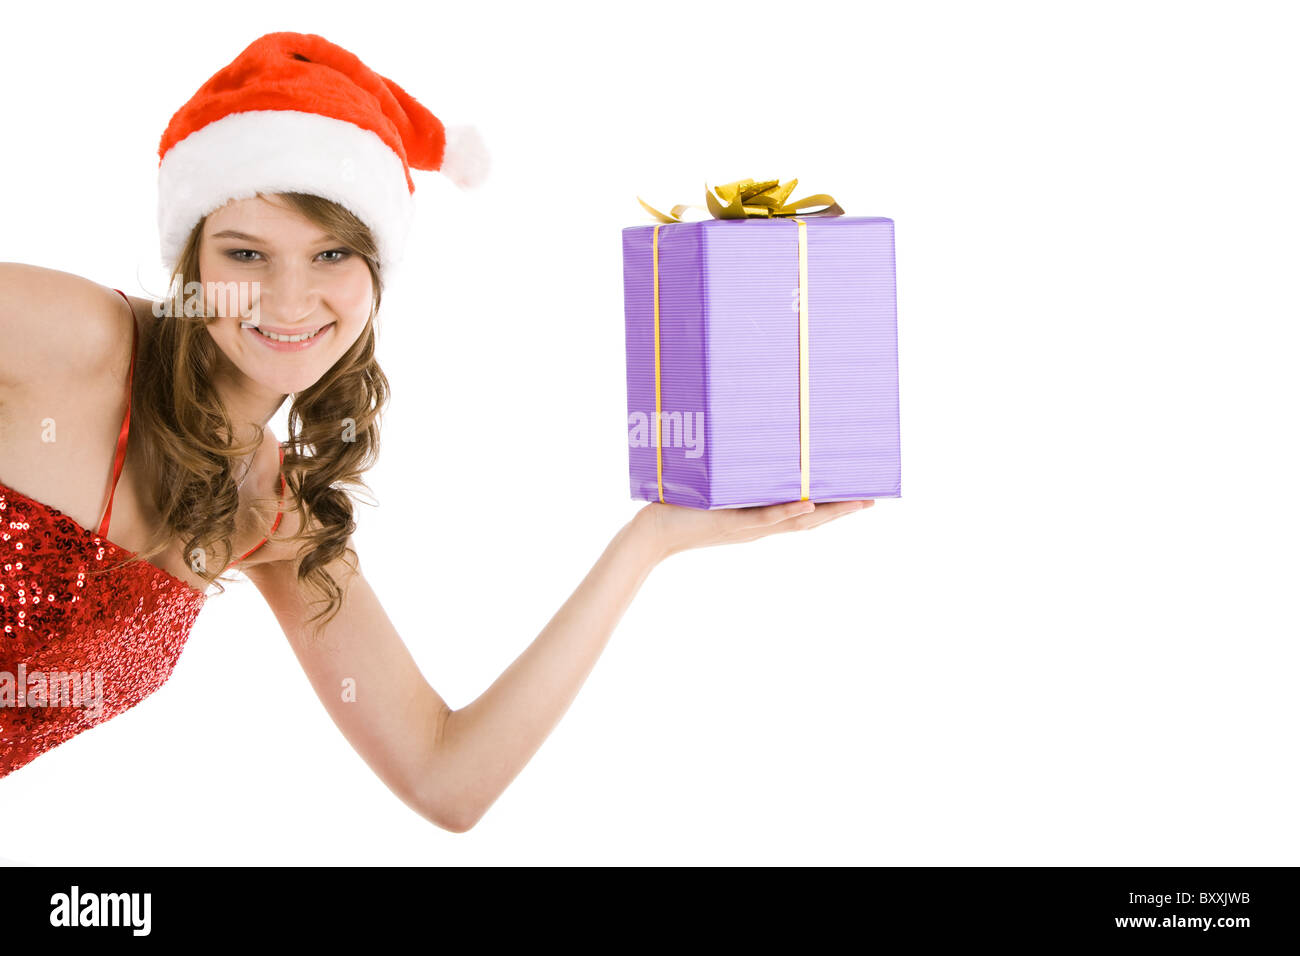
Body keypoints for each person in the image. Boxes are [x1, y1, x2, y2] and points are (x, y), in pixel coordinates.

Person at [0, 31, 874, 832]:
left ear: (378, 271)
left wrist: (650, 541)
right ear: (190, 258)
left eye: (332, 254)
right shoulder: (76, 339)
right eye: (245, 253)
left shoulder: (272, 515)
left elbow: (446, 777)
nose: (292, 299)